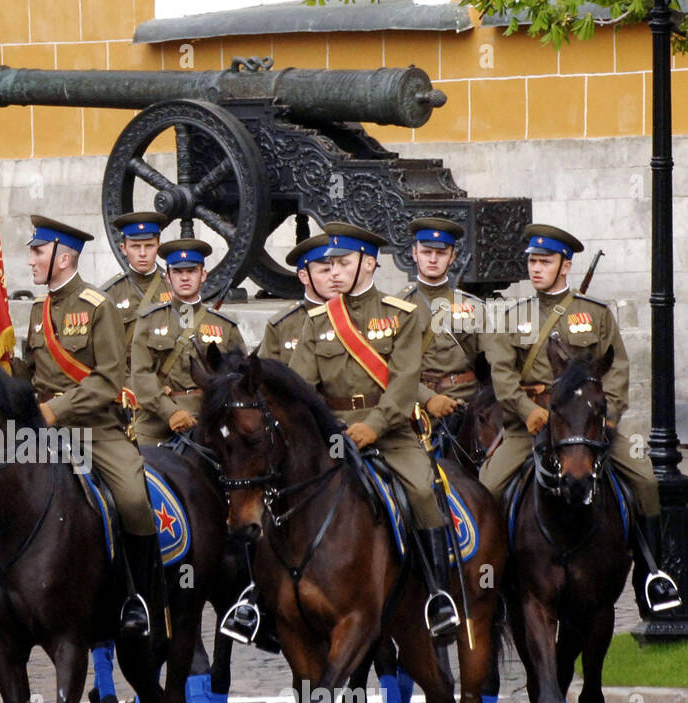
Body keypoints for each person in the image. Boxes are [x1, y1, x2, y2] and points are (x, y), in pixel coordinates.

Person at [0, 215, 163, 638]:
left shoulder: (99, 307)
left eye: (38, 252)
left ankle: (141, 598)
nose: (31, 261)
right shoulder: (40, 311)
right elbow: (33, 379)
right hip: (42, 433)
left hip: (94, 429)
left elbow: (109, 379)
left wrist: (56, 410)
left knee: (133, 500)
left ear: (64, 256)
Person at [478, 223, 681, 614]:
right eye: (532, 261)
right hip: (531, 425)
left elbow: (618, 369)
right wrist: (528, 411)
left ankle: (651, 579)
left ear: (565, 266)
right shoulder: (512, 318)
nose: (536, 268)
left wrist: (610, 418)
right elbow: (502, 377)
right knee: (488, 486)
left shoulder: (596, 315)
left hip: (586, 427)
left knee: (643, 479)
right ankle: (491, 581)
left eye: (545, 261)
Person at [288, 222, 460, 640]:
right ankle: (263, 595)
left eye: (343, 263)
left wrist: (374, 426)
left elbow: (404, 384)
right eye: (327, 266)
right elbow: (302, 388)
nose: (333, 272)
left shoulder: (403, 315)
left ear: (368, 263)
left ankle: (438, 594)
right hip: (333, 433)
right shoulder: (315, 322)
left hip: (391, 430)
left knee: (421, 490)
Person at [129, 238, 245, 446]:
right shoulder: (149, 320)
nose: (185, 278)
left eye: (191, 271)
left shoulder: (225, 325)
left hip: (211, 417)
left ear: (203, 275)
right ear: (168, 277)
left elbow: (239, 377)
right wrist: (171, 412)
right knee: (136, 469)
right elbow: (141, 374)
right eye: (178, 272)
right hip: (159, 419)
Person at [397, 217, 486, 434]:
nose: (433, 259)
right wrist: (428, 398)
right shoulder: (397, 307)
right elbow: (390, 370)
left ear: (452, 257)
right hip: (417, 410)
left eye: (441, 253)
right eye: (427, 252)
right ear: (414, 253)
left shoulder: (474, 307)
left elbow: (495, 363)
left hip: (469, 407)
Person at [101, 211, 173, 345]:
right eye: (135, 246)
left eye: (149, 246)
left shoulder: (175, 288)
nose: (142, 253)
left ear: (159, 247)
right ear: (123, 249)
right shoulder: (110, 293)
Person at [257, 233, 331, 365]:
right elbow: (267, 376)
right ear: (304, 277)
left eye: (338, 268)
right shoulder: (283, 324)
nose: (335, 276)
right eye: (325, 271)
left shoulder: (355, 315)